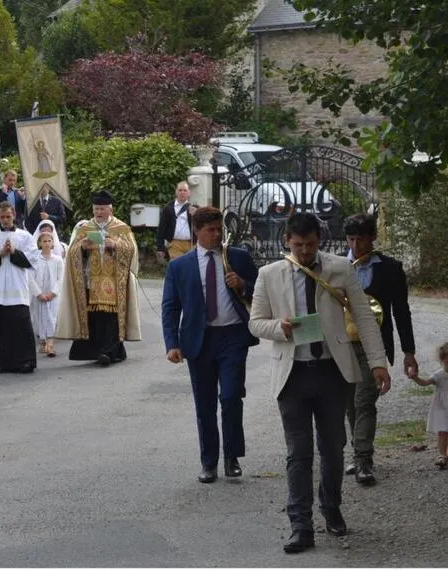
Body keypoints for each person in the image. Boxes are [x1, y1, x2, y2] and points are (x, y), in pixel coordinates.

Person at [248, 212, 390, 554]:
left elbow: (365, 319)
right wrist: (277, 328)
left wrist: (377, 363)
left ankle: (331, 507)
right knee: (298, 452)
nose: (305, 251)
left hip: (332, 372)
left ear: (319, 241)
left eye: (310, 245)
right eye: (298, 246)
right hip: (292, 373)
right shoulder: (269, 275)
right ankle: (300, 525)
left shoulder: (341, 269)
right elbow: (255, 323)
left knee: (332, 448)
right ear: (287, 241)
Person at [161, 207, 259, 484]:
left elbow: (261, 290)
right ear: (197, 231)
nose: (216, 235)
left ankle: (232, 457)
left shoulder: (237, 257)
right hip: (199, 341)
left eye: (219, 230)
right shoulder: (179, 267)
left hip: (233, 337)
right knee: (205, 405)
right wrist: (172, 343)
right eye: (210, 231)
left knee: (230, 396)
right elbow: (170, 308)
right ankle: (208, 462)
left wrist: (242, 284)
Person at [341, 213, 418, 485]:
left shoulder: (389, 268)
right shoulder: (337, 266)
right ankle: (357, 451)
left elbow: (401, 313)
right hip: (342, 346)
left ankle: (364, 459)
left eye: (360, 239)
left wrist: (409, 351)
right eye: (350, 239)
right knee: (350, 403)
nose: (355, 245)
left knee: (364, 402)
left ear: (372, 237)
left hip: (373, 347)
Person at [56, 190, 141, 366]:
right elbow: (72, 252)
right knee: (94, 318)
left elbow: (132, 251)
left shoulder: (121, 228)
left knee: (111, 318)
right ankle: (97, 351)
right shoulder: (85, 228)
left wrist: (116, 245)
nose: (99, 212)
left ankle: (109, 352)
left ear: (111, 209)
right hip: (91, 281)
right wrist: (82, 248)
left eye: (102, 209)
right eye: (96, 209)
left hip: (114, 281)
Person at [0, 201, 37, 374]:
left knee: (20, 323)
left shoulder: (25, 236)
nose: (5, 220)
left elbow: (33, 260)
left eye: (8, 216)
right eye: (2, 217)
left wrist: (15, 253)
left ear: (14, 215)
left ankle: (25, 361)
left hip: (16, 287)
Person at [30, 232, 64, 358]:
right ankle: (42, 341)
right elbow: (30, 277)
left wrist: (53, 292)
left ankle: (50, 343)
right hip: (39, 294)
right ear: (39, 243)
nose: (46, 243)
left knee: (52, 317)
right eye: (44, 241)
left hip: (52, 294)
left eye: (49, 241)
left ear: (52, 243)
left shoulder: (57, 260)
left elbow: (60, 278)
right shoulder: (34, 260)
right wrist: (38, 293)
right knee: (38, 316)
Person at [156, 181, 196, 261]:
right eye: (180, 190)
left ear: (189, 193)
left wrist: (197, 214)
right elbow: (161, 228)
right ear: (176, 192)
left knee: (191, 269)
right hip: (174, 244)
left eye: (185, 190)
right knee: (177, 268)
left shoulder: (194, 208)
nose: (182, 193)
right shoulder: (168, 208)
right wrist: (160, 247)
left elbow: (203, 225)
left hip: (191, 244)